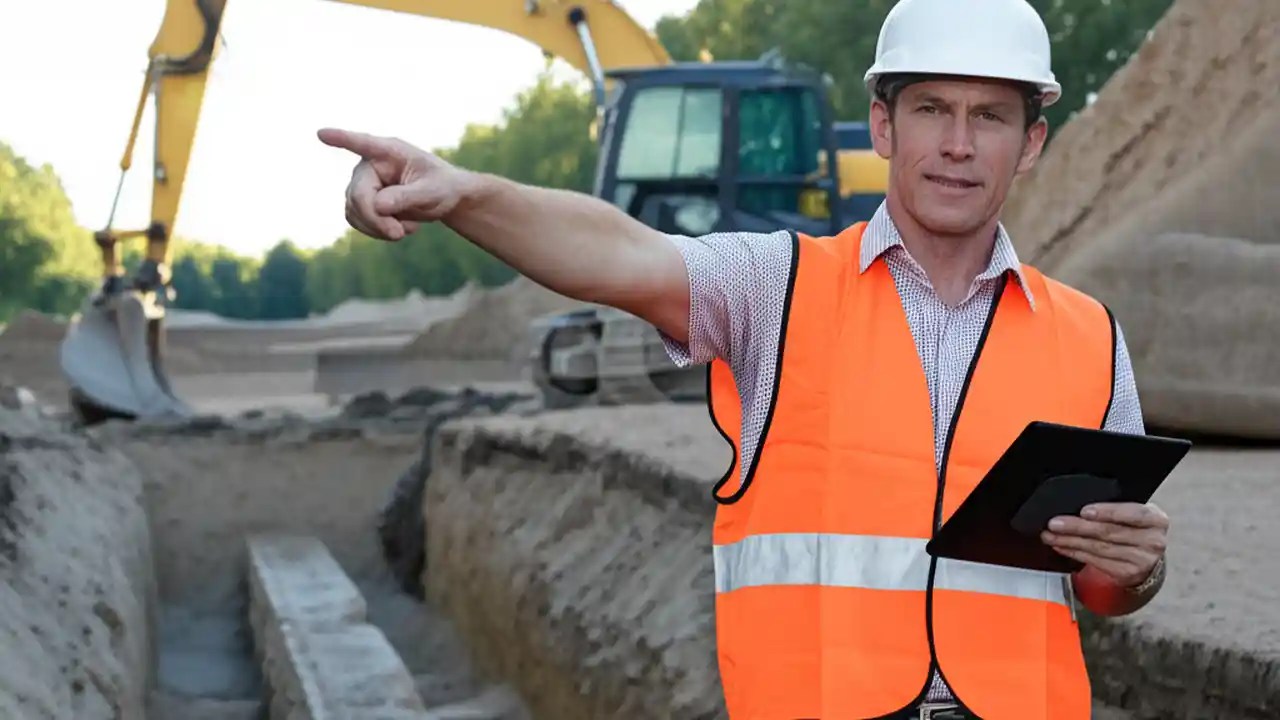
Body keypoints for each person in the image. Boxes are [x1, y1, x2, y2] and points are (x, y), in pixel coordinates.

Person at [319, 0, 1169, 716]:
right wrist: (465, 192)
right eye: (931, 109)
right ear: (883, 123)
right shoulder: (777, 288)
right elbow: (620, 252)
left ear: (1030, 143)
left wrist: (1134, 573)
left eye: (988, 117)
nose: (957, 143)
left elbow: (1099, 585)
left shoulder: (1088, 337)